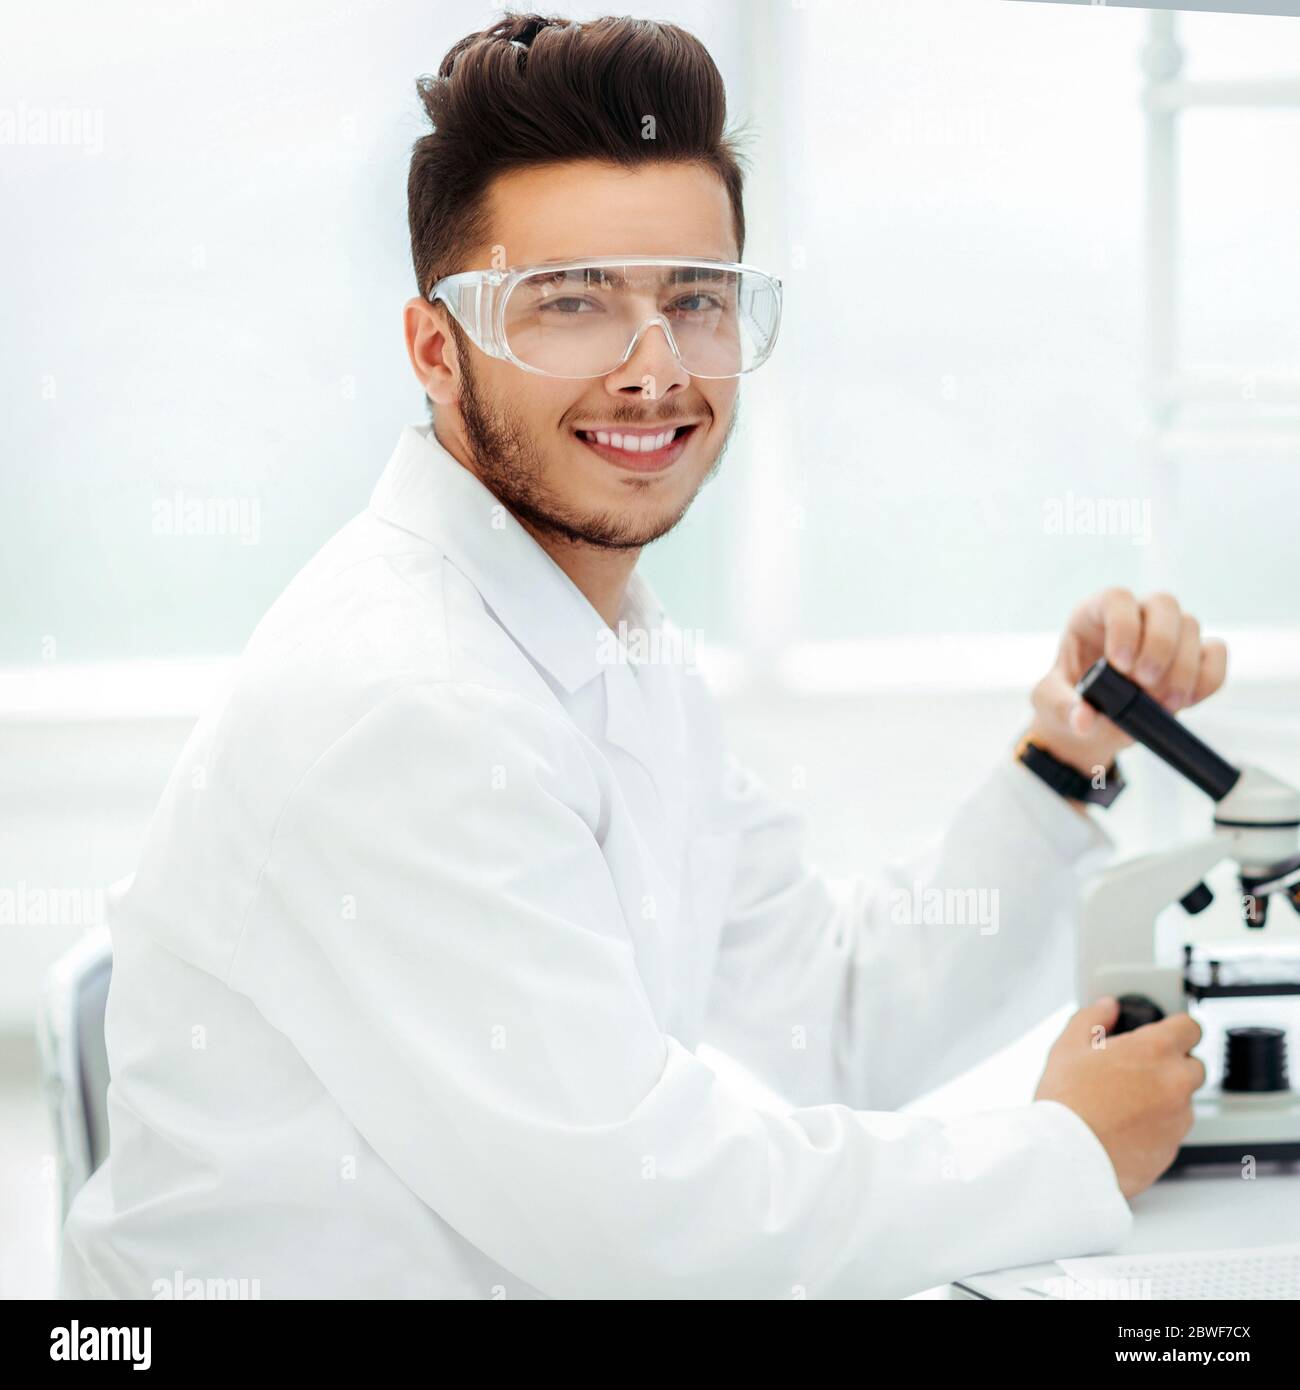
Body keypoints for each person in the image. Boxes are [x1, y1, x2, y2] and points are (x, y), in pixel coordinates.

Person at [60, 12, 1222, 1300]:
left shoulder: (607, 635)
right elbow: (645, 1222)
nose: (652, 370)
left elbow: (822, 1025)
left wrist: (1063, 762)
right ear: (435, 350)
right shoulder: (406, 703)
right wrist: (1057, 1155)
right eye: (571, 304)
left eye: (695, 300)